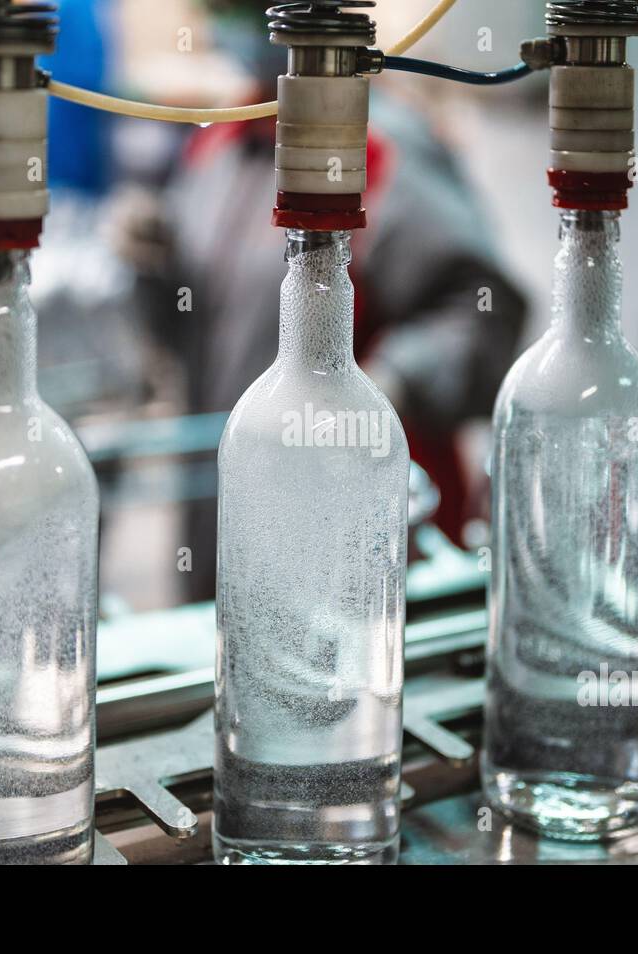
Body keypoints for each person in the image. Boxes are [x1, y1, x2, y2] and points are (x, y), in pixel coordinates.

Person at [123, 0, 527, 599]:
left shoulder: (383, 150)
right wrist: (151, 270)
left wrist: (388, 386)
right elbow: (189, 330)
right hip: (235, 506)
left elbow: (483, 308)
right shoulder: (217, 146)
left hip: (361, 526)